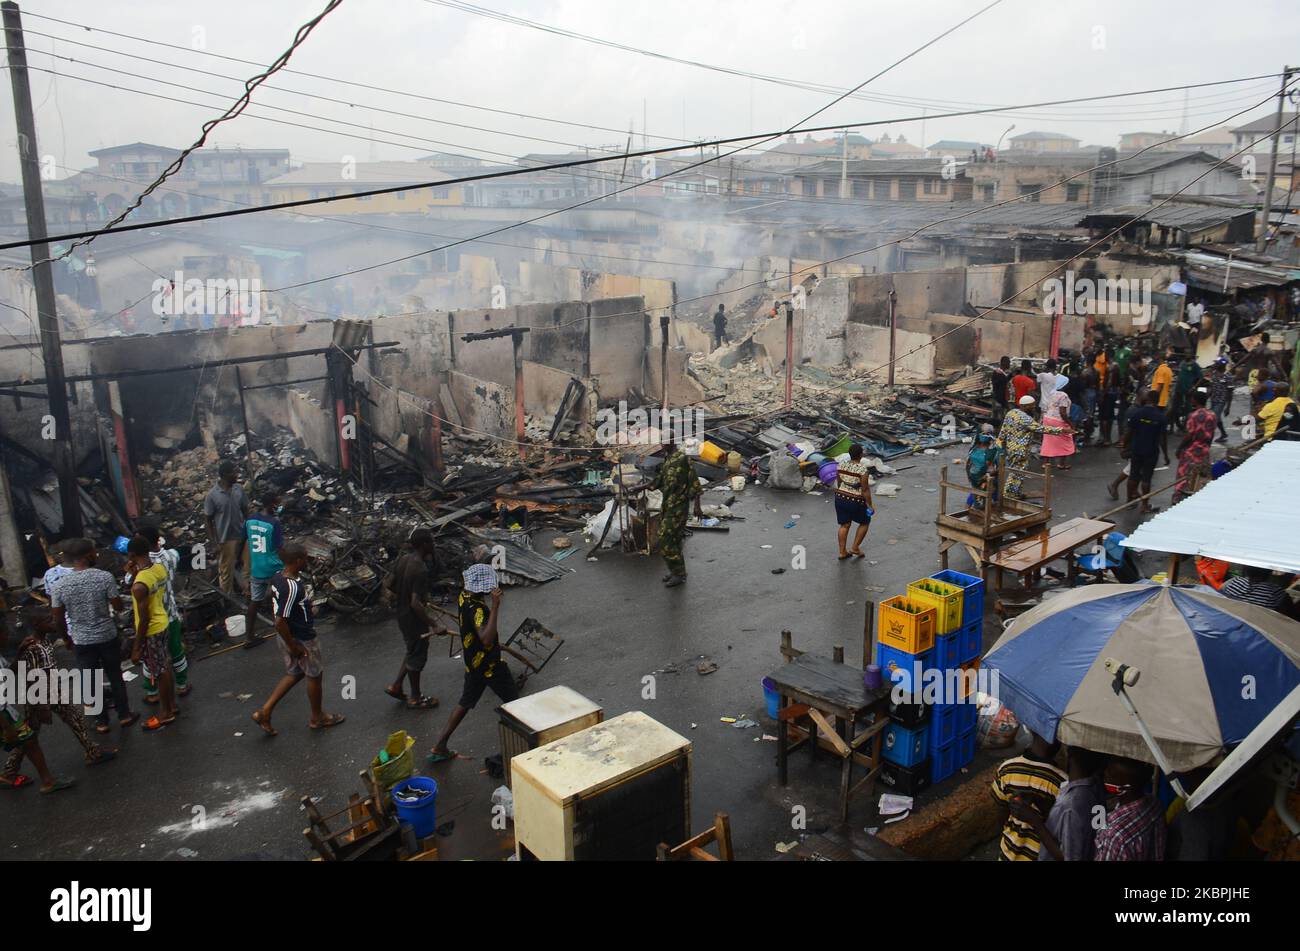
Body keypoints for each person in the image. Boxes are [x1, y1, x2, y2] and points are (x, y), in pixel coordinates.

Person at [2, 610, 115, 778]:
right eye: (48, 620)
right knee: (29, 737)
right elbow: (31, 677)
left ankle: (92, 751)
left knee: (75, 719)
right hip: (39, 696)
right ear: (37, 625)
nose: (53, 622)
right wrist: (41, 705)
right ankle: (10, 769)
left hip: (53, 691)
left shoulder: (46, 641)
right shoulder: (33, 647)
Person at [428, 564, 519, 764]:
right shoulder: (478, 608)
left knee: (465, 702)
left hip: (473, 664)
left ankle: (440, 746)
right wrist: (495, 607)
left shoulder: (464, 596)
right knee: (516, 704)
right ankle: (519, 749)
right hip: (490, 666)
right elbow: (486, 639)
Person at [251, 544, 345, 735]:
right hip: (299, 636)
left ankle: (265, 711)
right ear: (296, 561)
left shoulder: (279, 576)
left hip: (288, 634)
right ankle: (317, 717)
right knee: (314, 675)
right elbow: (279, 621)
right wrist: (293, 645)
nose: (307, 560)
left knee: (295, 673)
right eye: (304, 558)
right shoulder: (291, 587)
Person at [49, 538, 137, 734]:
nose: (96, 554)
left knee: (91, 679)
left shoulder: (59, 586)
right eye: (94, 552)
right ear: (86, 556)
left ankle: (101, 721)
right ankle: (124, 715)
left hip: (81, 640)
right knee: (115, 676)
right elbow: (118, 606)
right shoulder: (104, 577)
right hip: (107, 635)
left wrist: (66, 639)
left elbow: (58, 619)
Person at [1009, 747, 1107, 862]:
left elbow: (1069, 857)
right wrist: (1039, 800)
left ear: (1069, 754)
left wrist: (1034, 821)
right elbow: (1096, 829)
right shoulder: (1096, 789)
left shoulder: (1072, 804)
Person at [0, 653, 76, 794]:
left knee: (29, 741)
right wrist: (6, 727)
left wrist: (19, 655)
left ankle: (10, 775)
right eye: (5, 635)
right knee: (30, 741)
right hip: (3, 715)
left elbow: (7, 673)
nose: (8, 638)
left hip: (5, 712)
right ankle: (48, 781)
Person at [384, 529, 442, 709]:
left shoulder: (404, 559)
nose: (433, 545)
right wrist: (434, 625)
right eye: (431, 542)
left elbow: (390, 586)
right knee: (417, 656)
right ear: (424, 544)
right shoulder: (420, 568)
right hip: (413, 619)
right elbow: (415, 604)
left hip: (402, 614)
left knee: (412, 650)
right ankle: (416, 697)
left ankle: (396, 686)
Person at [126, 536, 178, 732]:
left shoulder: (139, 584)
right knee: (166, 666)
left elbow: (144, 618)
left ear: (131, 555)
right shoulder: (157, 568)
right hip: (163, 621)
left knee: (160, 671)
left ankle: (166, 713)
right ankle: (171, 705)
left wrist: (136, 647)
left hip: (151, 630)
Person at [133, 524, 190, 701]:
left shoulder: (144, 564)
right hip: (171, 613)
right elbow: (179, 554)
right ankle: (181, 684)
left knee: (151, 657)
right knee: (176, 650)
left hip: (151, 619)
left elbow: (131, 581)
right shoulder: (170, 555)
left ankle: (151, 691)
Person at [991, 732, 1068, 861]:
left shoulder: (1007, 769)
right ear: (1060, 741)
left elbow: (1001, 812)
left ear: (1032, 731)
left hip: (1008, 853)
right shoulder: (1062, 783)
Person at [647, 431, 704, 587]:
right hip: (667, 505)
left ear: (672, 441)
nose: (662, 444)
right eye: (661, 441)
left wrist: (697, 507)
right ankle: (677, 571)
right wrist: (642, 486)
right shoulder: (667, 460)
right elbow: (660, 480)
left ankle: (678, 574)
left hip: (678, 507)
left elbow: (695, 482)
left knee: (665, 539)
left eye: (665, 441)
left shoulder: (682, 458)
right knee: (675, 541)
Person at [1094, 757, 1166, 861]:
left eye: (1111, 774)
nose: (1105, 774)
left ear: (1126, 788)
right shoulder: (1154, 804)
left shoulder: (1116, 836)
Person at [997, 395, 1070, 498]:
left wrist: (999, 443)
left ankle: (1015, 493)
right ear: (1025, 406)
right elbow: (1041, 428)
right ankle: (1009, 494)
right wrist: (1062, 430)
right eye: (1032, 406)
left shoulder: (1011, 413)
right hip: (1021, 451)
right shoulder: (1025, 419)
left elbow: (1003, 430)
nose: (1034, 407)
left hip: (1011, 448)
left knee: (1016, 471)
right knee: (1018, 473)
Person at [244, 489, 285, 650]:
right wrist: (289, 563)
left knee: (255, 602)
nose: (279, 506)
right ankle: (287, 631)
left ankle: (249, 637)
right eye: (278, 503)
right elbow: (279, 548)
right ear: (272, 504)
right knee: (283, 599)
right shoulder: (274, 523)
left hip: (257, 568)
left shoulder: (250, 520)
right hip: (274, 568)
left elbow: (244, 542)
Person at [204, 460, 250, 601]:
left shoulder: (238, 489)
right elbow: (208, 521)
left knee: (248, 567)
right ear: (225, 475)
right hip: (225, 539)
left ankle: (250, 596)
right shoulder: (212, 495)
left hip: (243, 535)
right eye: (234, 472)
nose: (237, 475)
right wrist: (214, 543)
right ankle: (227, 600)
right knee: (226, 571)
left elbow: (246, 510)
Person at [1117, 390, 1169, 512]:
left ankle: (1129, 501)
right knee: (1146, 478)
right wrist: (1166, 455)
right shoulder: (1160, 416)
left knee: (1133, 476)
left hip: (1137, 450)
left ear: (1148, 399)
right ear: (1157, 401)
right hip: (1151, 451)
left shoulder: (1138, 413)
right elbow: (1162, 439)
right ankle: (1144, 505)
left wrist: (1123, 446)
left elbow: (1128, 432)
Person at [1173, 388, 1215, 504]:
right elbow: (1212, 433)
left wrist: (1180, 448)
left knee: (1183, 473)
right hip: (1204, 449)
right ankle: (1198, 495)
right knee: (1202, 474)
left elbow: (1189, 435)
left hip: (1192, 450)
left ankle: (1178, 497)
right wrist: (1207, 446)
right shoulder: (1212, 415)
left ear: (1195, 401)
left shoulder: (1193, 415)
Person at [834, 443, 873, 559]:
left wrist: (842, 491)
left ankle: (842, 552)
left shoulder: (841, 465)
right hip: (855, 500)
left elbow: (839, 481)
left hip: (840, 497)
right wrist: (870, 505)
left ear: (850, 454)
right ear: (861, 455)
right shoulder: (862, 470)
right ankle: (855, 548)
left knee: (844, 525)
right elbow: (865, 489)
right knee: (865, 522)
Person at [1221, 564, 1291, 614]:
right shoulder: (1276, 592)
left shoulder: (1233, 581)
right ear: (1269, 572)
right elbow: (1288, 611)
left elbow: (1219, 594)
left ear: (1247, 569)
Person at [1040, 375, 1076, 470]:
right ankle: (1061, 463)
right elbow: (1063, 413)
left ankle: (1046, 463)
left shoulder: (1052, 393)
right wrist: (1070, 424)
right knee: (1066, 438)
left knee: (1048, 440)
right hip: (1058, 420)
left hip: (1047, 418)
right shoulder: (1063, 395)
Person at [965, 424, 1001, 511]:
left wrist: (989, 474)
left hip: (989, 477)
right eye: (983, 433)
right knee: (976, 496)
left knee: (987, 498)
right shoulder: (975, 446)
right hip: (975, 476)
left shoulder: (996, 445)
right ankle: (968, 509)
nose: (985, 436)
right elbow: (968, 461)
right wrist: (969, 474)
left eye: (988, 434)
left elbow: (1000, 465)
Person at [1170, 353, 1203, 431]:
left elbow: (1201, 377)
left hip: (1188, 390)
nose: (1187, 355)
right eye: (1186, 353)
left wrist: (1194, 387)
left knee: (1187, 409)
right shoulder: (1182, 363)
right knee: (1174, 408)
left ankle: (1185, 426)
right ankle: (1172, 427)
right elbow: (1179, 373)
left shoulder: (1195, 365)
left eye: (1188, 353)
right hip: (1178, 389)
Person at [1207, 357, 1233, 443]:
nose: (1216, 365)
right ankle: (1223, 434)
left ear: (1222, 365)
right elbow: (1211, 387)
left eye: (1217, 364)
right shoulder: (1214, 373)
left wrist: (1228, 407)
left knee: (1213, 419)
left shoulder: (1228, 376)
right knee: (1217, 419)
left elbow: (1230, 392)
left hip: (1221, 401)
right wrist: (1205, 396)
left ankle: (1208, 440)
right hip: (1213, 399)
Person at [991, 356, 1011, 424]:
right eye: (1008, 362)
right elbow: (1000, 389)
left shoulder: (1000, 373)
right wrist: (1005, 403)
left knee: (997, 421)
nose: (1009, 364)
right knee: (1000, 422)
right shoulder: (998, 373)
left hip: (997, 400)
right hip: (999, 401)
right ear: (1004, 363)